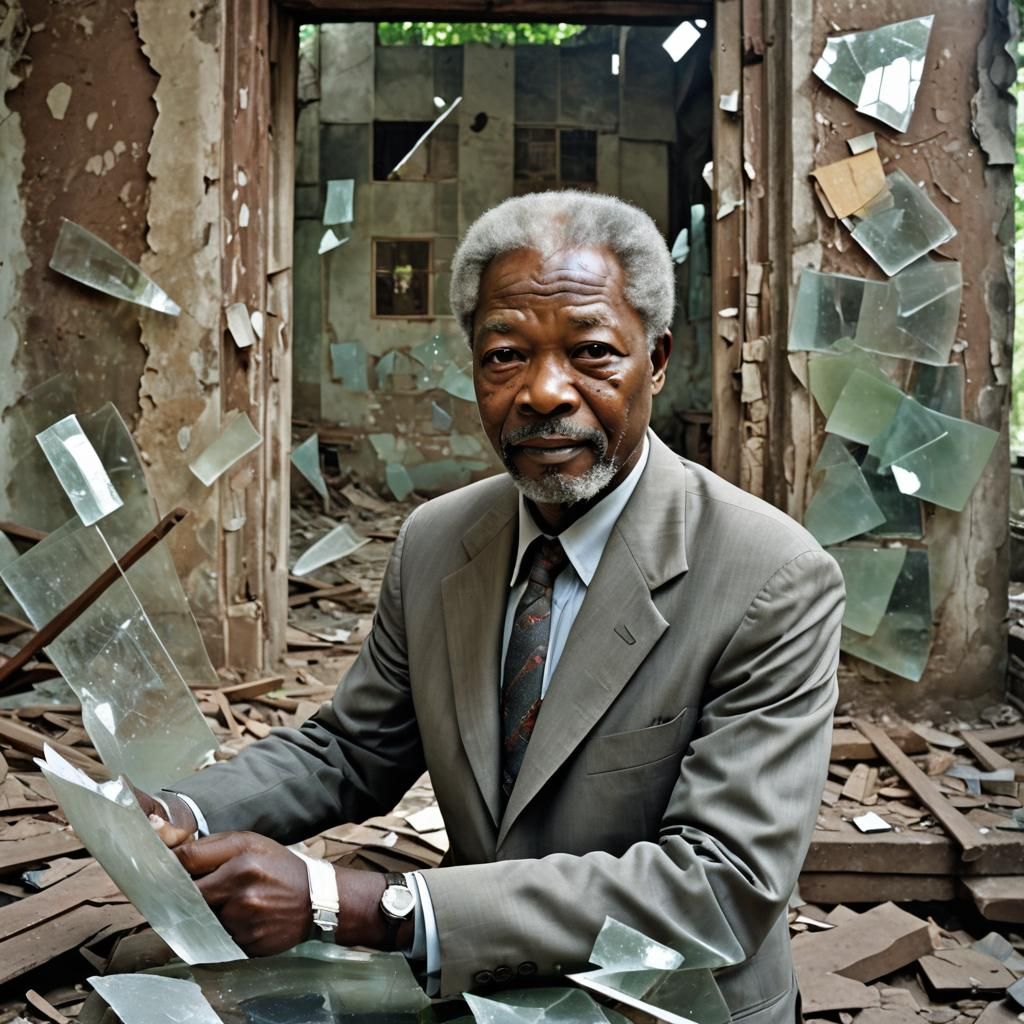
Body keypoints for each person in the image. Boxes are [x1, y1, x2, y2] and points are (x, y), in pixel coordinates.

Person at [141, 191, 844, 1023]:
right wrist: (178, 810)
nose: (545, 392)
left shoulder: (773, 576)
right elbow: (354, 749)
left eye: (590, 352)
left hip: (662, 1004)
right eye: (505, 355)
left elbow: (718, 890)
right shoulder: (438, 542)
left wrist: (361, 903)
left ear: (655, 359)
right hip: (481, 988)